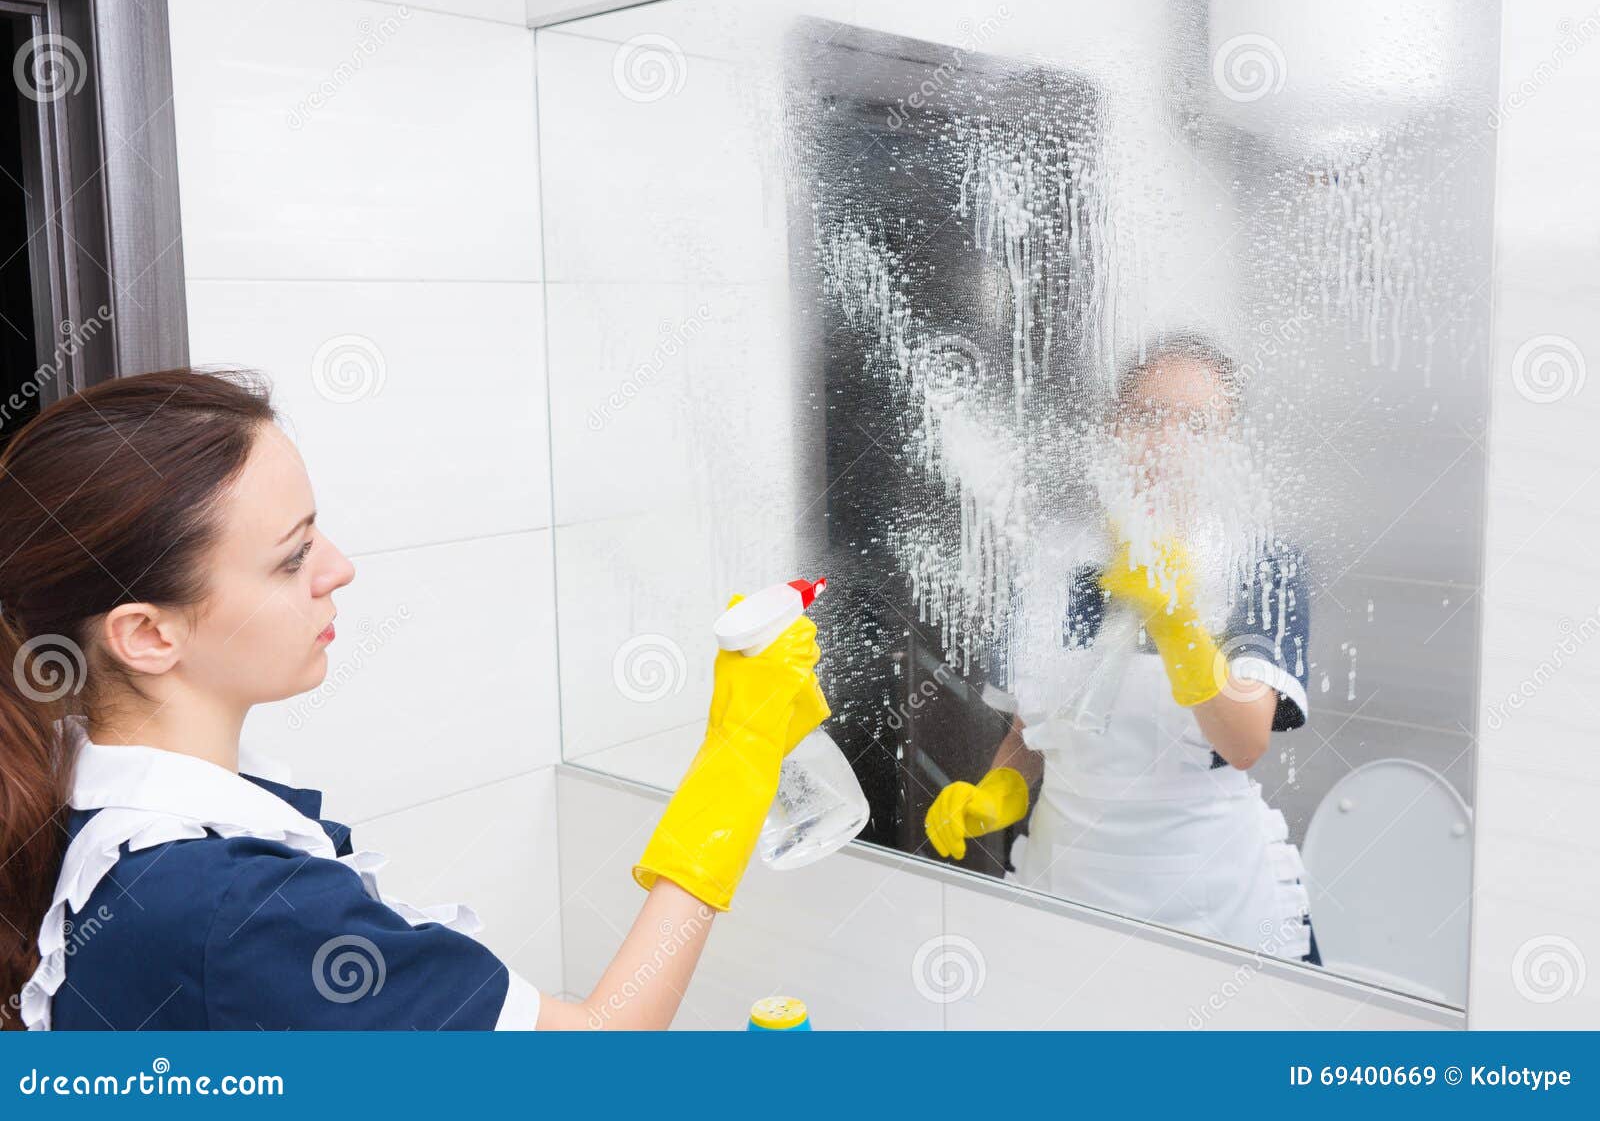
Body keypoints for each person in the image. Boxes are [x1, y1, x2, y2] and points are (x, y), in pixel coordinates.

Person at [0, 368, 826, 1030]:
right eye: (292, 557)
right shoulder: (240, 910)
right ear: (148, 635)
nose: (339, 568)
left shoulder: (75, 805)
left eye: (316, 531)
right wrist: (735, 769)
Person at [925, 332, 1319, 964]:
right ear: (1111, 428)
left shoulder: (1257, 566)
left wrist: (1176, 621)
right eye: (1146, 416)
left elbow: (1244, 742)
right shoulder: (1056, 560)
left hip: (1213, 903)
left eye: (1197, 425)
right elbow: (1034, 729)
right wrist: (998, 788)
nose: (1166, 442)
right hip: (1066, 880)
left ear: (1229, 449)